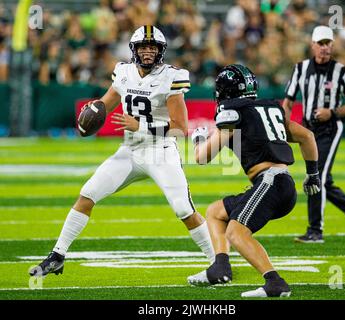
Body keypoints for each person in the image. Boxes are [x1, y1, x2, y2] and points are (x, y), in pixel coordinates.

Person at [29, 25, 215, 277]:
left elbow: (180, 128)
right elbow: (105, 104)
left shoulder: (170, 77)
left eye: (153, 47)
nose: (148, 52)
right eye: (143, 47)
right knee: (87, 194)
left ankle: (218, 261)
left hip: (160, 151)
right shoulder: (124, 72)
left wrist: (142, 126)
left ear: (161, 51)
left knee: (184, 209)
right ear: (134, 49)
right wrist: (90, 115)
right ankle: (58, 255)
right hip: (129, 151)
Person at [187, 64, 320, 298]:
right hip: (279, 183)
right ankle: (220, 268)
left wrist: (198, 141)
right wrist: (312, 174)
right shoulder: (270, 108)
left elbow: (202, 157)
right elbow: (307, 136)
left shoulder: (231, 110)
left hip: (270, 181)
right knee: (216, 212)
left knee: (236, 233)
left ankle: (275, 282)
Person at [283, 25, 345, 243]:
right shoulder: (300, 68)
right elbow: (288, 101)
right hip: (309, 130)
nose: (325, 48)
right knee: (323, 180)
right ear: (312, 45)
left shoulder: (341, 71)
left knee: (317, 177)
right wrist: (283, 126)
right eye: (320, 43)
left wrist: (331, 112)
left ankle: (315, 230)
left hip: (331, 128)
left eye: (328, 43)